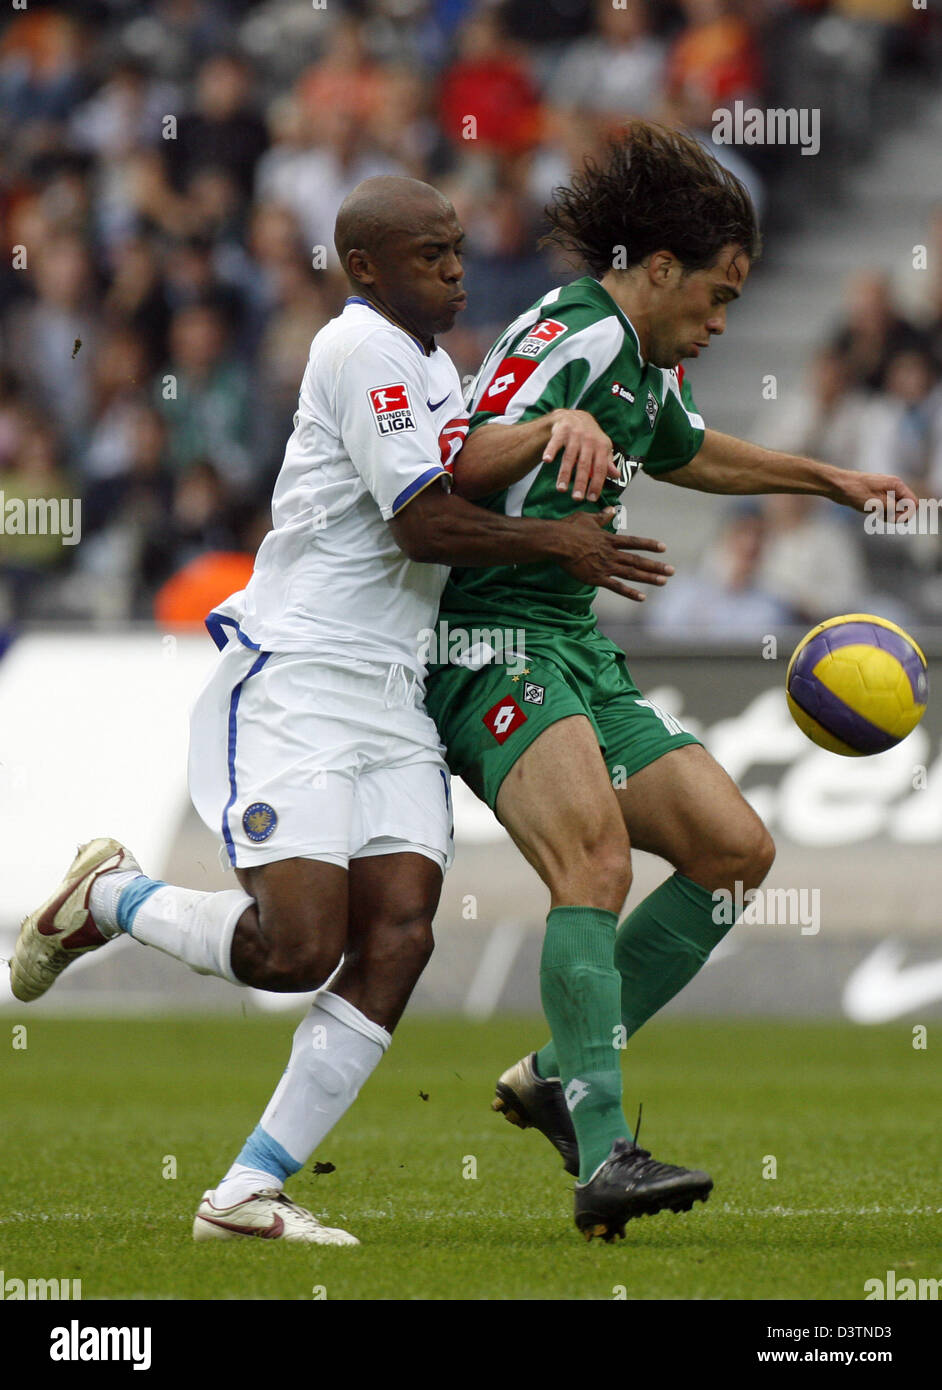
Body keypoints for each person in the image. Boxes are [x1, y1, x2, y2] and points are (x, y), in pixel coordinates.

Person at [9, 175, 668, 1247]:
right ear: (367, 268)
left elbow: (462, 461)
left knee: (401, 930)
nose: (457, 270)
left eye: (459, 250)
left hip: (394, 689)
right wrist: (561, 539)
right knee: (295, 947)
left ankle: (246, 1190)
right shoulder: (355, 346)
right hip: (302, 677)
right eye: (432, 255)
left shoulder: (433, 365)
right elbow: (423, 522)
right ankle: (113, 897)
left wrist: (557, 425)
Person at [424, 122, 918, 1242]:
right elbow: (452, 457)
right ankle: (604, 1157)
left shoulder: (642, 358)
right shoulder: (576, 333)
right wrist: (547, 430)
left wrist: (829, 477)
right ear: (657, 269)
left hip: (574, 638)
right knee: (594, 861)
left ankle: (558, 1073)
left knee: (735, 851)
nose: (724, 318)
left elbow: (688, 449)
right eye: (720, 293)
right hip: (490, 633)